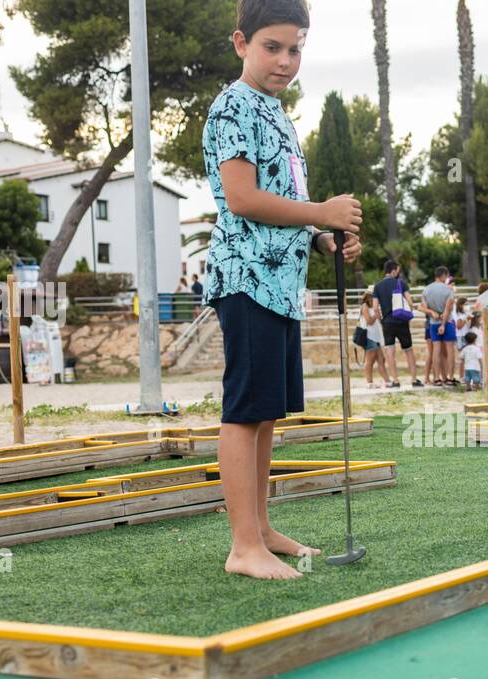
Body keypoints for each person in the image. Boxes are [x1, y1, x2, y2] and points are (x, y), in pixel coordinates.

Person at [204, 0, 363, 579]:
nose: (286, 60)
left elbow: (282, 204)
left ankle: (262, 528)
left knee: (266, 412)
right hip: (244, 278)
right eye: (273, 47)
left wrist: (322, 236)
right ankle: (242, 546)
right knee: (244, 411)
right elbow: (242, 199)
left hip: (279, 283)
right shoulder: (231, 110)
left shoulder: (277, 114)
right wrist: (321, 209)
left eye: (296, 48)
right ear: (241, 43)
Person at [372, 259, 421, 388]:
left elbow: (375, 307)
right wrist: (408, 313)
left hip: (387, 322)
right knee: (408, 350)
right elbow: (410, 302)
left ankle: (395, 380)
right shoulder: (401, 283)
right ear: (393, 270)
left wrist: (381, 320)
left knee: (389, 350)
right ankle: (414, 379)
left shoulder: (377, 286)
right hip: (401, 321)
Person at [421, 266, 457, 386]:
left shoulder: (426, 290)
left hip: (433, 322)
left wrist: (432, 313)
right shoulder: (448, 290)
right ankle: (450, 378)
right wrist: (443, 324)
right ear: (443, 275)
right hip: (448, 322)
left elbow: (424, 308)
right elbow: (448, 309)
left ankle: (437, 378)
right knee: (450, 351)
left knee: (436, 351)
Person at [358, 290, 386, 388]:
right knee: (370, 360)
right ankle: (369, 382)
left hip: (376, 336)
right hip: (370, 337)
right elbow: (369, 321)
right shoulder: (365, 307)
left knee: (381, 359)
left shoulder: (373, 307)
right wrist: (376, 315)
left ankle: (387, 380)